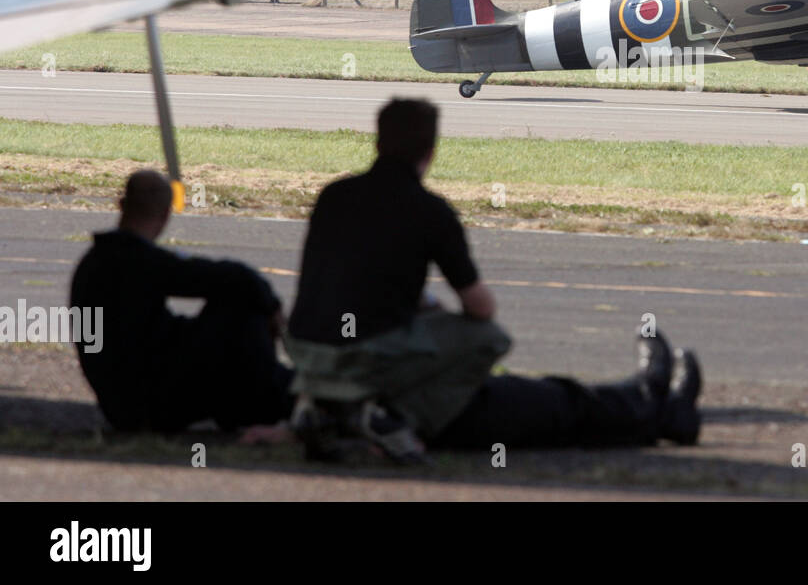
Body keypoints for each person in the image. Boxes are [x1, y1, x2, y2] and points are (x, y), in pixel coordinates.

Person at [286, 98, 702, 462]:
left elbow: (351, 282)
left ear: (377, 143)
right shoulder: (430, 211)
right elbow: (481, 309)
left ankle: (661, 408)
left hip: (327, 365)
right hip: (415, 396)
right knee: (551, 399)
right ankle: (655, 402)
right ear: (430, 152)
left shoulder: (333, 197)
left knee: (548, 401)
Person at [69, 170, 293, 433]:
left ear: (121, 205)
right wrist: (271, 306)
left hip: (120, 400)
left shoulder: (93, 263)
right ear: (166, 214)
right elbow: (235, 278)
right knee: (240, 310)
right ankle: (274, 397)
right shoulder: (139, 262)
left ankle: (271, 393)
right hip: (148, 402)